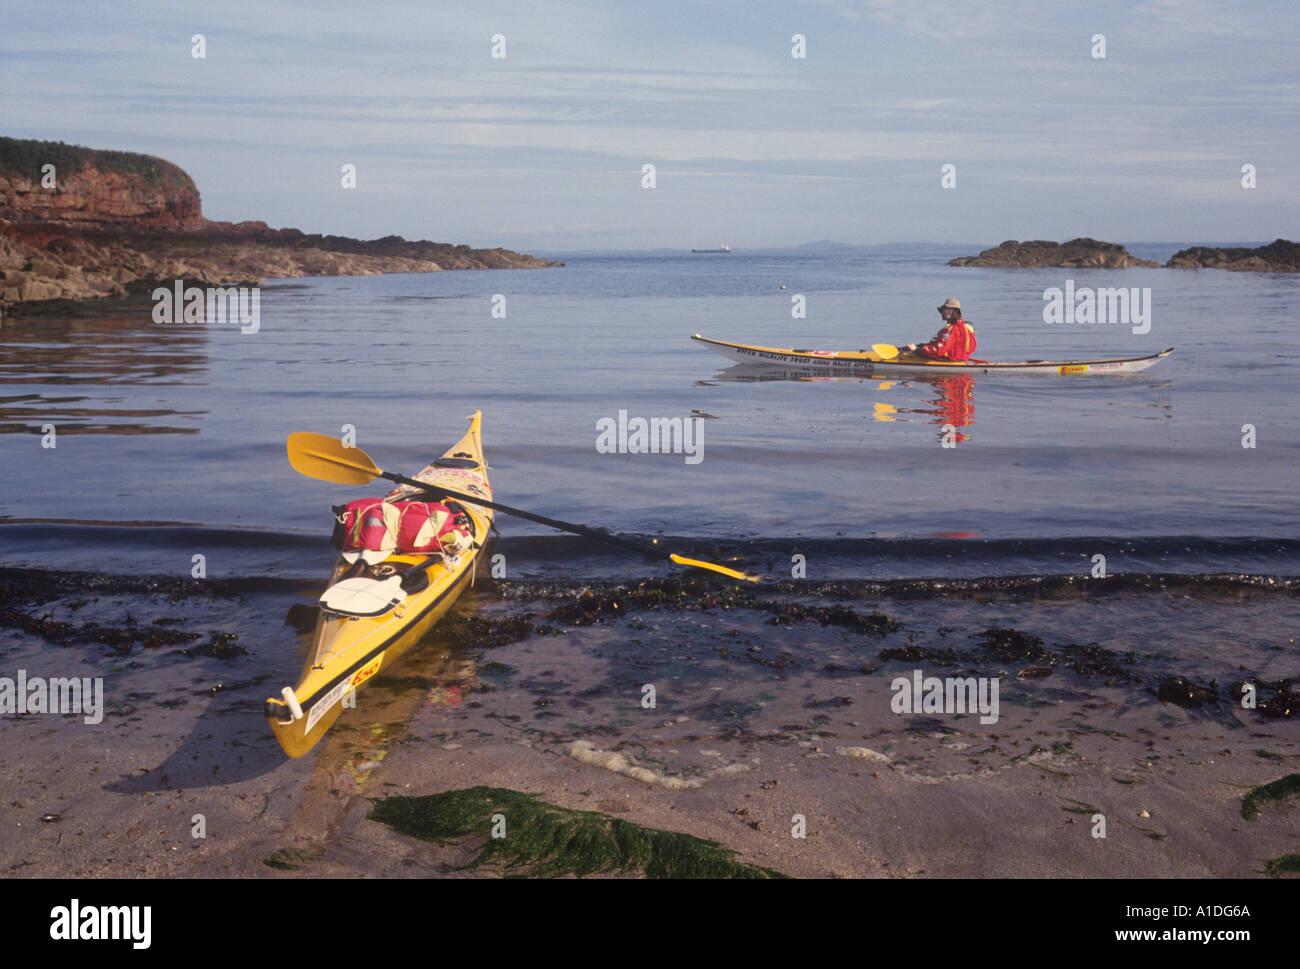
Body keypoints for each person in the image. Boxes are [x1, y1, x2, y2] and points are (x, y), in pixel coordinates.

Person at [905, 298, 977, 361]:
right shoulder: (959, 327)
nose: (945, 312)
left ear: (955, 312)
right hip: (957, 359)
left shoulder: (953, 329)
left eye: (949, 310)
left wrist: (917, 350)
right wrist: (920, 346)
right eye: (944, 310)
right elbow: (937, 344)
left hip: (949, 360)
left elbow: (939, 350)